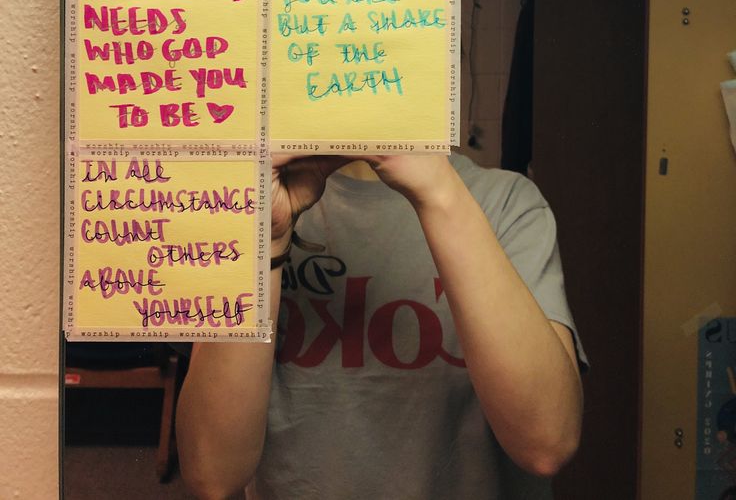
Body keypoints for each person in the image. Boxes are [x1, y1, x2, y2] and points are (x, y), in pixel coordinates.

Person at [176, 152, 587, 500]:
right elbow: (213, 474)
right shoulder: (259, 198)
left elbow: (546, 444)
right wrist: (266, 242)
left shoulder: (506, 202)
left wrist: (439, 192)